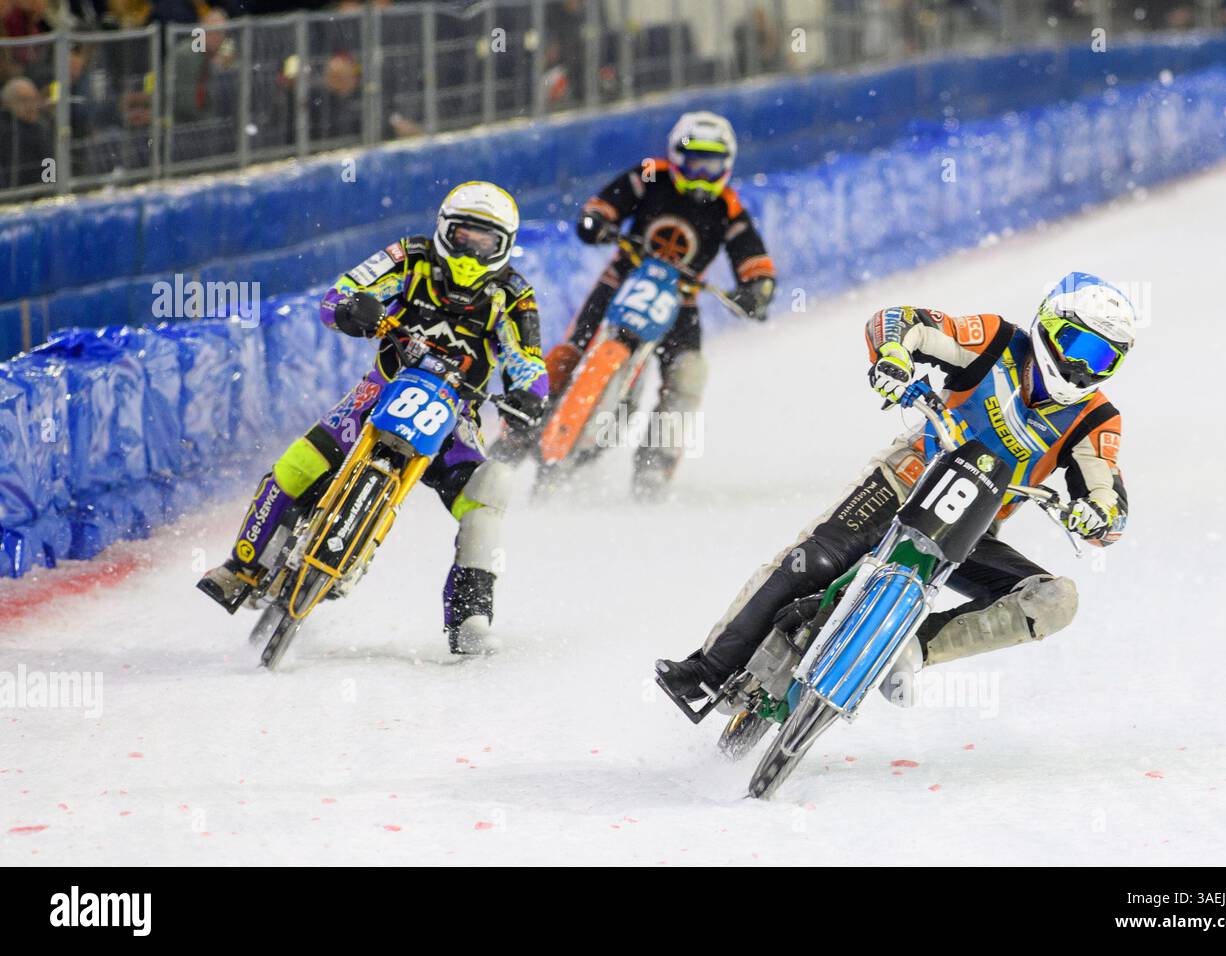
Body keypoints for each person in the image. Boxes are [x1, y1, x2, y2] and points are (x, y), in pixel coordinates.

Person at [656, 272, 1134, 700]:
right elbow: (901, 321)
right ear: (1049, 325)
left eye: (1102, 358)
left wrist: (1098, 516)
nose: (1082, 367)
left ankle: (911, 648)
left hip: (971, 526)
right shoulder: (996, 340)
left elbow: (1108, 495)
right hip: (907, 477)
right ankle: (708, 669)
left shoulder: (1096, 419)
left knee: (1055, 600)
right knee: (814, 560)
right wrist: (893, 357)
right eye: (1078, 346)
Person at [197, 181, 548, 655]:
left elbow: (528, 360)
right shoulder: (408, 256)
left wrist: (529, 396)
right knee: (296, 468)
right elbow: (338, 294)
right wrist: (350, 309)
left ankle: (471, 618)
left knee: (491, 492)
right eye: (465, 236)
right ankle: (241, 568)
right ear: (446, 230)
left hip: (454, 417)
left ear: (504, 246)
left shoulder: (515, 295)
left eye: (487, 242)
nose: (473, 249)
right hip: (376, 393)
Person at [536, 111, 776, 497]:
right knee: (570, 350)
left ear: (727, 166)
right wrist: (597, 222)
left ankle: (655, 467)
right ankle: (523, 430)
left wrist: (757, 291)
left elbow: (754, 259)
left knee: (687, 376)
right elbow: (604, 205)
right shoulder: (649, 175)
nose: (702, 175)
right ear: (676, 158)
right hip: (622, 279)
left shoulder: (728, 209)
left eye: (711, 165)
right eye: (695, 163)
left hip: (682, 300)